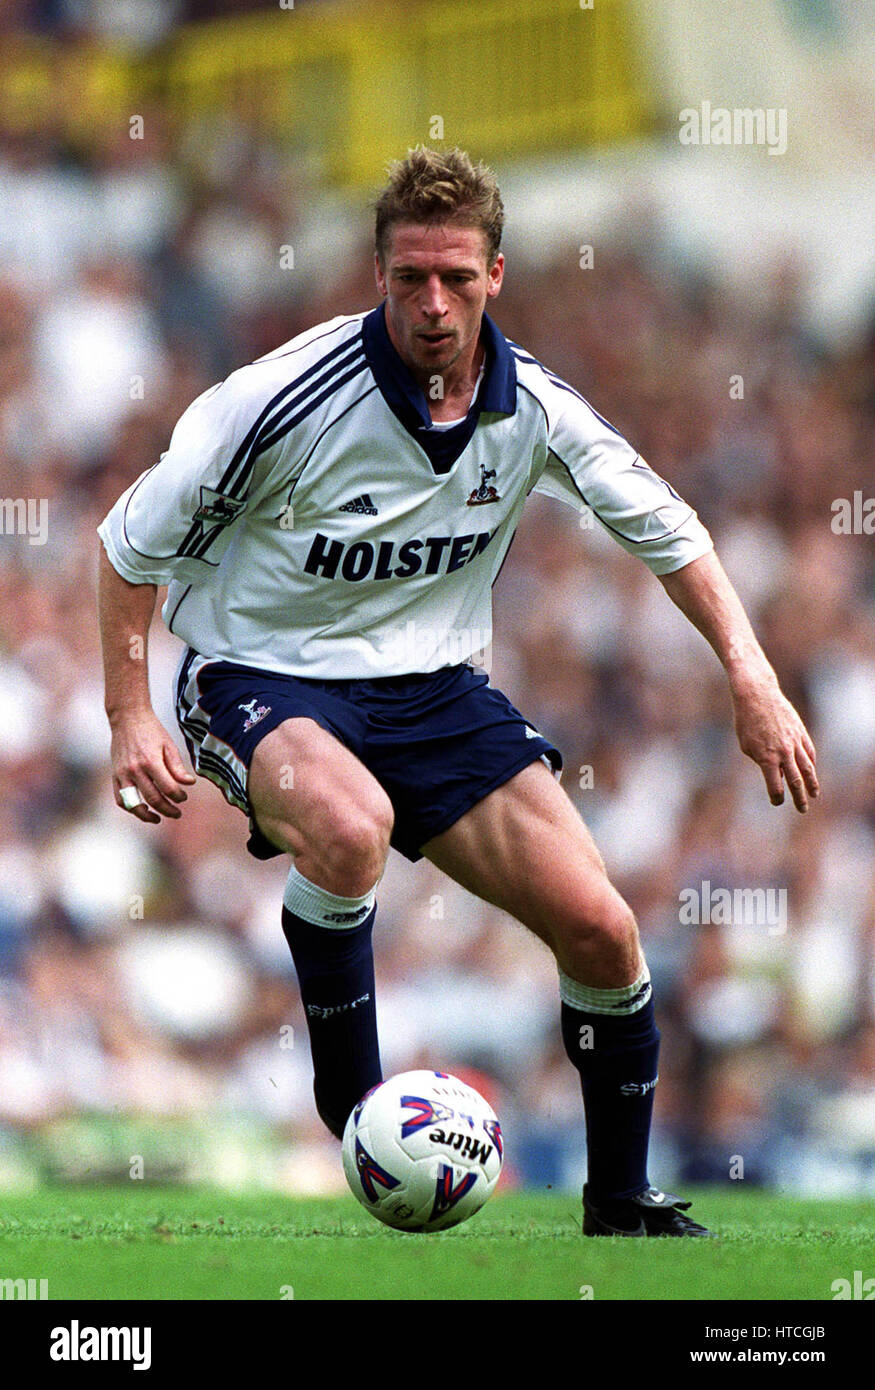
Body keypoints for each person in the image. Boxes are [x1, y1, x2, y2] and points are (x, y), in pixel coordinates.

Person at [97, 146, 819, 1236]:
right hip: (259, 674)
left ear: (496, 277)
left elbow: (671, 533)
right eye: (408, 280)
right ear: (377, 277)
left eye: (455, 279)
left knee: (602, 929)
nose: (432, 305)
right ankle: (355, 1110)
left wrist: (750, 677)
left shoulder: (533, 408)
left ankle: (619, 1200)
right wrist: (126, 715)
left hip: (433, 692)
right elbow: (125, 549)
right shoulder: (273, 403)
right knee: (349, 830)